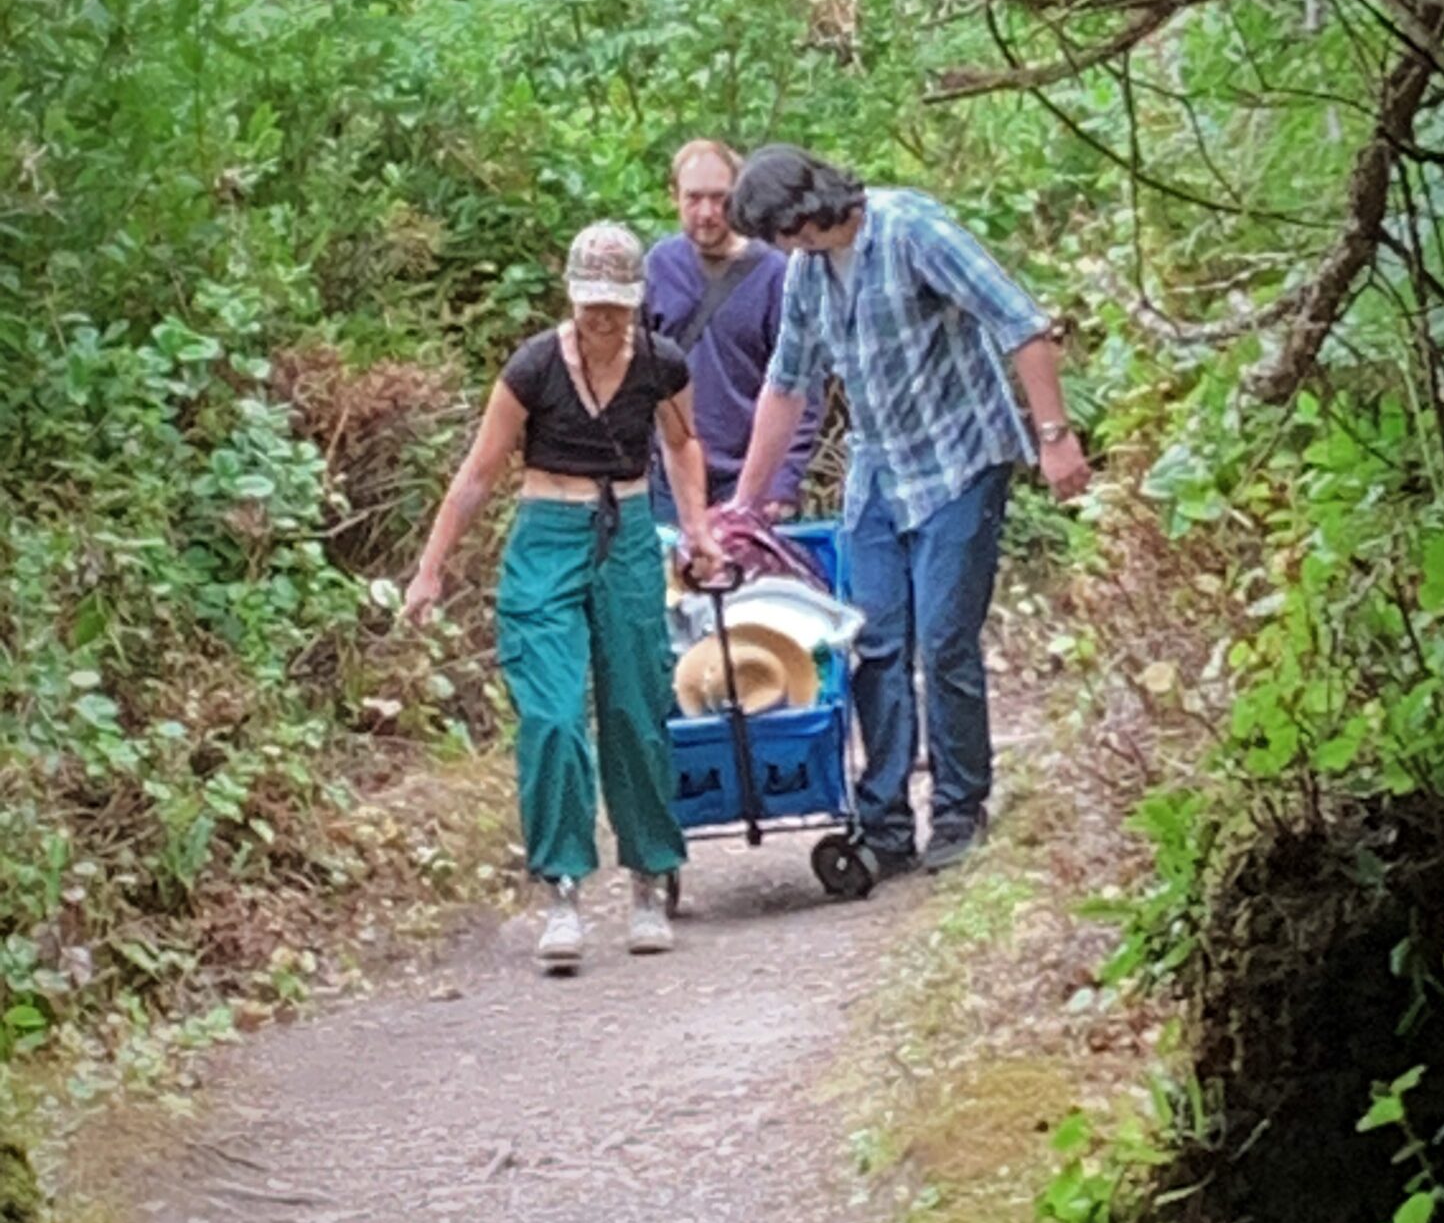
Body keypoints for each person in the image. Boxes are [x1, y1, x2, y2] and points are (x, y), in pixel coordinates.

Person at [726, 147, 1090, 878]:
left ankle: (959, 805)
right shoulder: (807, 273)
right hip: (880, 472)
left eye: (777, 232)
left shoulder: (913, 230)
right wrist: (744, 504)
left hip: (961, 458)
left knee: (945, 638)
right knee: (872, 640)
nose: (776, 249)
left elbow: (1021, 324)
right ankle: (885, 819)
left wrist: (1055, 438)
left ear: (803, 213)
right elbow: (787, 383)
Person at [402, 221, 722, 973]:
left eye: (616, 304)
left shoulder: (661, 365)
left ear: (636, 301)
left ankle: (648, 878)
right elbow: (480, 472)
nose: (604, 319)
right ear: (572, 299)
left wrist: (698, 529)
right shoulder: (534, 367)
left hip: (632, 532)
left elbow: (682, 443)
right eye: (591, 305)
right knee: (550, 715)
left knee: (636, 707)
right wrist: (430, 567)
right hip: (547, 533)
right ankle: (563, 889)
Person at [646, 138, 820, 524]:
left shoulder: (778, 273)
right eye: (693, 199)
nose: (706, 213)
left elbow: (802, 388)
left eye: (719, 198)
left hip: (751, 477)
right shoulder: (658, 266)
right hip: (668, 479)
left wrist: (781, 482)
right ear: (674, 196)